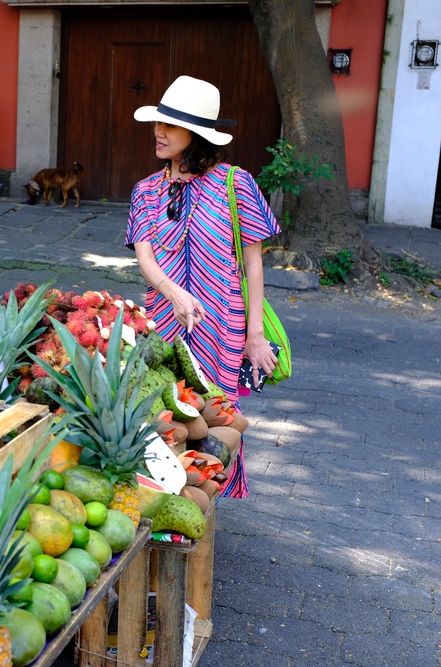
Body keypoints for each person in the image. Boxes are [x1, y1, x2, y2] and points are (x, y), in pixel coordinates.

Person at [126, 75, 281, 499]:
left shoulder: (237, 184)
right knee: (165, 414)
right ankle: (168, 499)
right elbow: (145, 259)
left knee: (215, 416)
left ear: (195, 135)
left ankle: (207, 502)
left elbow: (253, 265)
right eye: (157, 123)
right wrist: (174, 292)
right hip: (162, 321)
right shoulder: (145, 191)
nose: (158, 132)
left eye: (169, 126)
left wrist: (255, 335)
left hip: (222, 324)